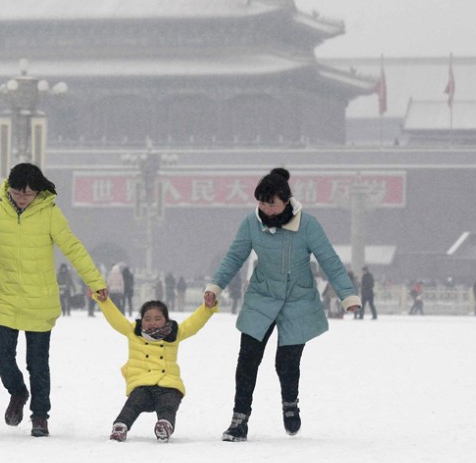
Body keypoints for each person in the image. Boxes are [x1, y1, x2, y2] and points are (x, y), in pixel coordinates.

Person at [203, 167, 360, 442]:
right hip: (261, 297)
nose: (266, 208)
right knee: (248, 359)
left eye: (271, 203)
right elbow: (233, 257)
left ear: (286, 201)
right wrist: (215, 286)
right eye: (261, 203)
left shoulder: (308, 225)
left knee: (286, 362)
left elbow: (330, 261)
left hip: (297, 300)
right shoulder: (251, 223)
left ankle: (290, 404)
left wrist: (347, 295)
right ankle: (239, 419)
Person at [0, 162, 109, 437]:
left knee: (38, 363)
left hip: (40, 298)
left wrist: (95, 282)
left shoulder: (50, 214)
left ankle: (40, 415)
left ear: (38, 191)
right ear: (8, 188)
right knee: (1, 355)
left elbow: (73, 247)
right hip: (6, 296)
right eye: (17, 192)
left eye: (28, 194)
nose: (22, 198)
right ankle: (18, 392)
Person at [97, 296, 217, 442]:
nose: (152, 323)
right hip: (142, 384)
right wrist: (104, 301)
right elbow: (115, 318)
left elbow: (194, 323)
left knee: (168, 405)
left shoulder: (175, 334)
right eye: (147, 319)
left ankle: (164, 425)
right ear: (141, 321)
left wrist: (207, 308)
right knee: (133, 403)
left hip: (168, 384)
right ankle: (120, 426)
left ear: (166, 320)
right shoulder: (133, 332)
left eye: (157, 318)